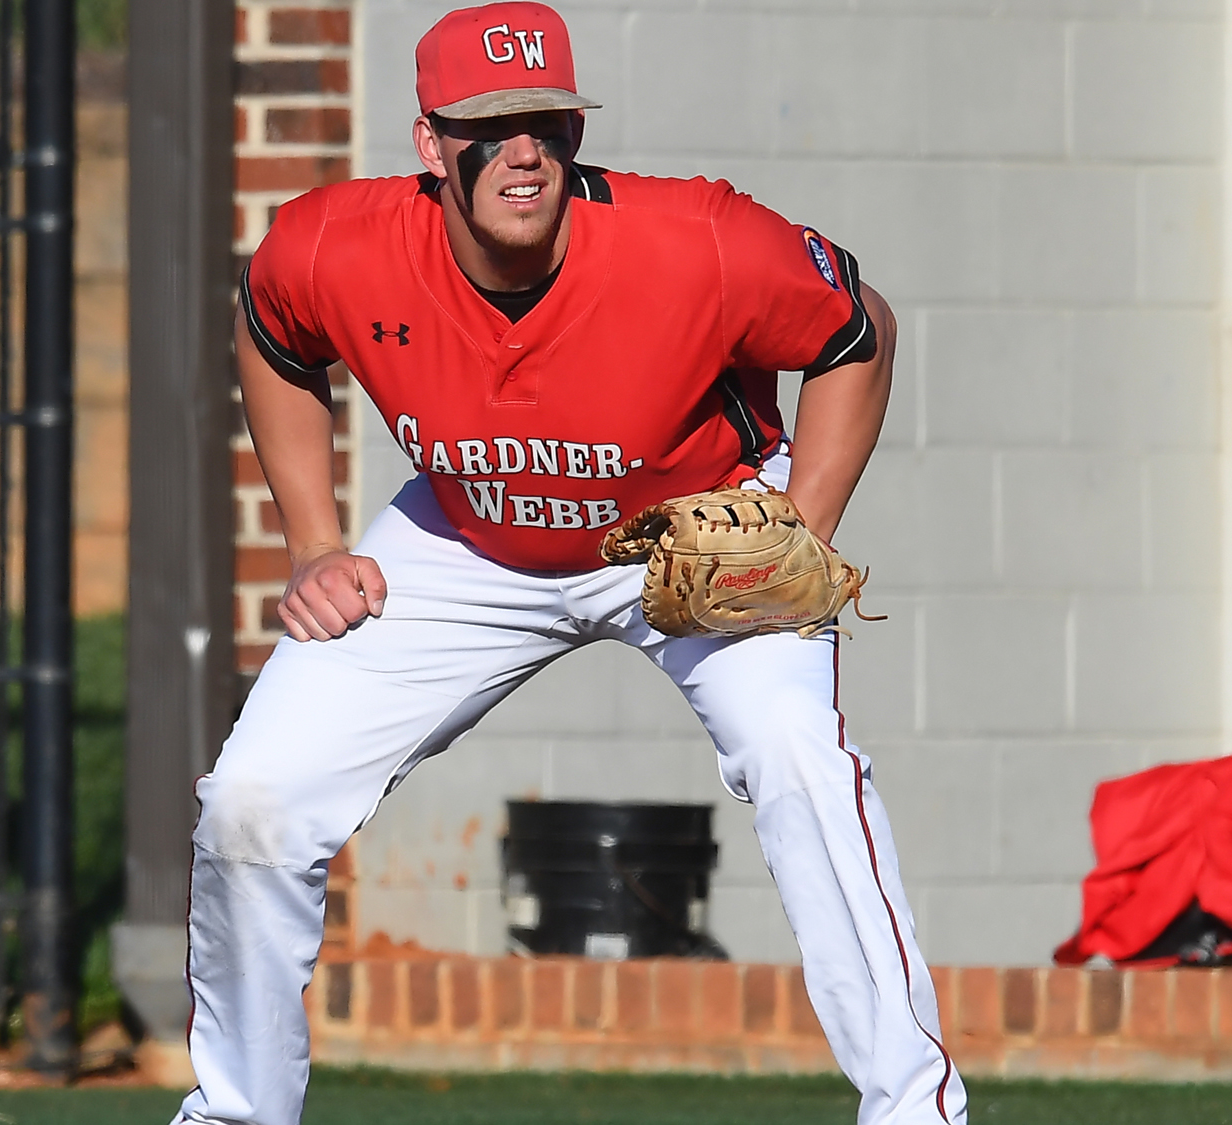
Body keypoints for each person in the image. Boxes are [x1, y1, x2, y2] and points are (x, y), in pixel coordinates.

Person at [174, 4, 967, 1123]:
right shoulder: (332, 245)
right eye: (487, 128)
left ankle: (915, 1111)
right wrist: (313, 541)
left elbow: (858, 329)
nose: (523, 149)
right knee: (255, 800)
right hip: (467, 538)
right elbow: (270, 329)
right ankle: (235, 1112)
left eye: (545, 120)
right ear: (430, 145)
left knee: (798, 760)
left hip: (689, 531)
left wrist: (802, 525)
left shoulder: (696, 236)